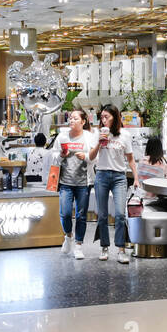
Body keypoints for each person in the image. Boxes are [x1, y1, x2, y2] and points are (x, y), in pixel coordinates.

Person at [87, 103, 135, 263]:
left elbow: (130, 158)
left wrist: (136, 178)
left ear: (115, 117)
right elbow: (91, 157)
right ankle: (104, 247)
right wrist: (99, 143)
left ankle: (121, 249)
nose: (103, 120)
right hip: (101, 175)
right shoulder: (97, 133)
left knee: (120, 214)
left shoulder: (125, 135)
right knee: (102, 215)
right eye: (101, 117)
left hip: (119, 177)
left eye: (106, 117)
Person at [53, 109, 96, 258]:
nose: (71, 120)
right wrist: (61, 155)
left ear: (83, 122)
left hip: (83, 183)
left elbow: (95, 157)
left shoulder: (89, 137)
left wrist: (86, 156)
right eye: (70, 118)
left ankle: (78, 245)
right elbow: (54, 156)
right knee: (65, 213)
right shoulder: (62, 136)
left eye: (75, 118)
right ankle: (68, 235)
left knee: (81, 215)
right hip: (65, 181)